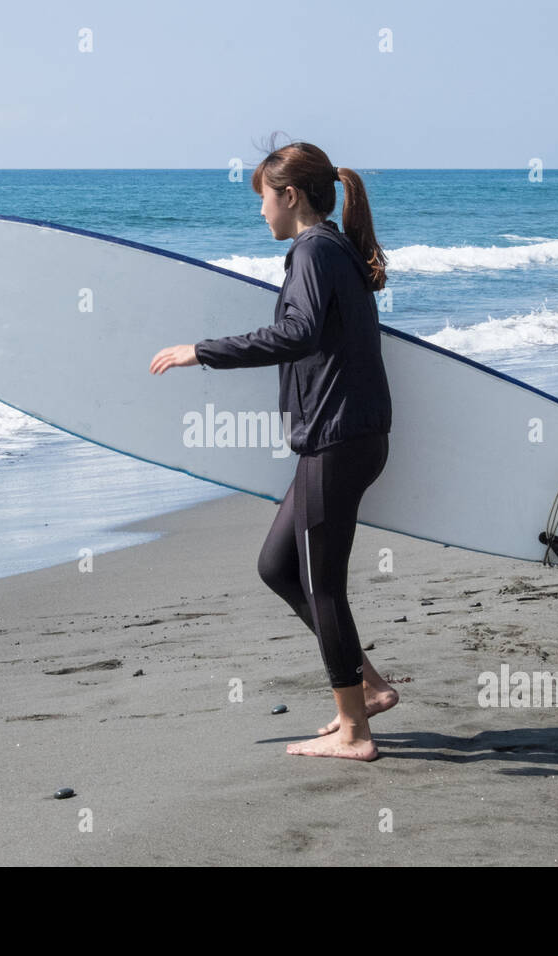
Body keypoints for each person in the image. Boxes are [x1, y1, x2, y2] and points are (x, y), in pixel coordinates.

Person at [149, 141, 395, 761]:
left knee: (323, 584)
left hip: (337, 441)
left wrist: (199, 351)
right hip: (345, 437)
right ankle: (367, 688)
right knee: (279, 567)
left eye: (263, 196)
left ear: (289, 195)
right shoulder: (332, 247)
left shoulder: (313, 250)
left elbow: (298, 333)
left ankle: (355, 732)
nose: (260, 211)